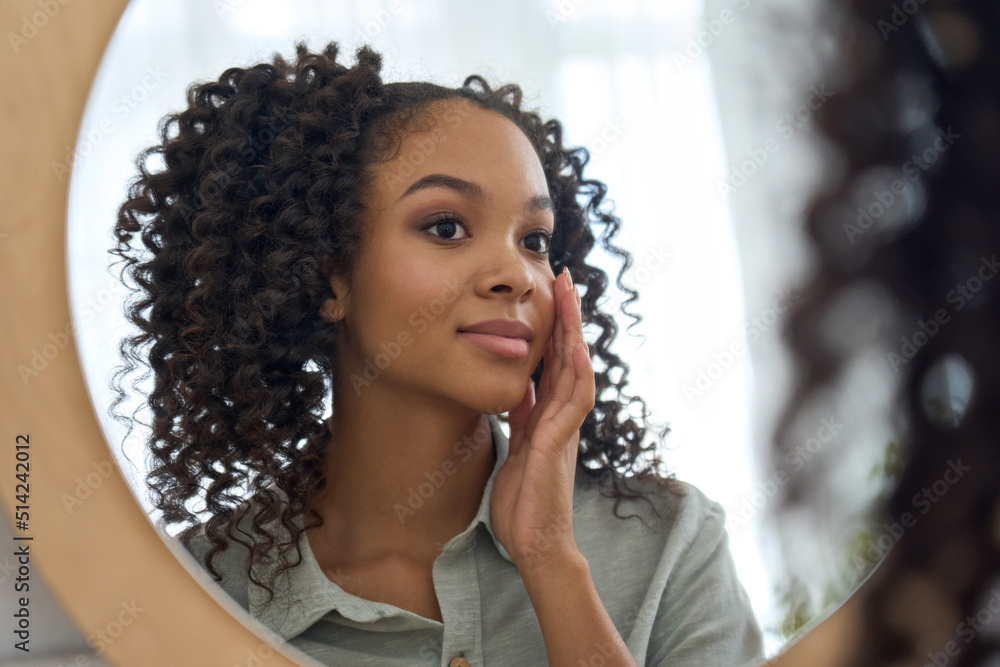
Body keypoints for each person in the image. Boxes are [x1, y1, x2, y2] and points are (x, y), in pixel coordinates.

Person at [110, 41, 764, 666]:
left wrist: (550, 560)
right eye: (446, 227)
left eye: (535, 239)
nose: (518, 274)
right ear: (329, 277)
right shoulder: (198, 592)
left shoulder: (672, 542)